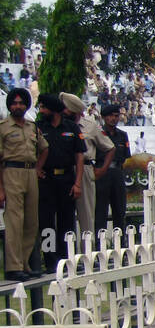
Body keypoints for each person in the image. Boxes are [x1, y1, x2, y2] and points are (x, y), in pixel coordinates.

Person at [35, 92, 86, 272]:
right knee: (47, 223)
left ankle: (66, 258)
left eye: (44, 108)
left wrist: (78, 183)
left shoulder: (72, 128)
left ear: (54, 110)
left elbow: (79, 157)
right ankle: (49, 260)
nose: (41, 111)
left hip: (66, 179)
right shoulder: (38, 127)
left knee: (67, 222)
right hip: (46, 180)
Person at [0, 87, 39, 279]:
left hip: (31, 172)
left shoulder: (32, 127)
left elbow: (44, 149)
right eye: (14, 103)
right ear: (9, 106)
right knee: (15, 222)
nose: (18, 106)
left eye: (21, 103)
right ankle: (13, 267)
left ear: (26, 105)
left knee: (31, 222)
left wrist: (38, 169)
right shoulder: (3, 127)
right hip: (11, 172)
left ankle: (24, 264)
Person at [63, 93, 113, 238]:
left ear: (75, 110)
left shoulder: (90, 126)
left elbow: (110, 147)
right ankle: (67, 254)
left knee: (86, 214)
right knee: (64, 214)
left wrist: (102, 169)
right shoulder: (61, 125)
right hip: (66, 169)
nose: (64, 112)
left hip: (85, 169)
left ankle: (88, 253)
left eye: (67, 109)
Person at [95, 104, 130, 234]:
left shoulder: (122, 135)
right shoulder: (98, 134)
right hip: (101, 173)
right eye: (110, 116)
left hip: (117, 172)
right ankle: (100, 246)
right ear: (104, 117)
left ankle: (120, 245)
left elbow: (125, 155)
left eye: (116, 116)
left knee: (119, 210)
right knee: (100, 211)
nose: (113, 119)